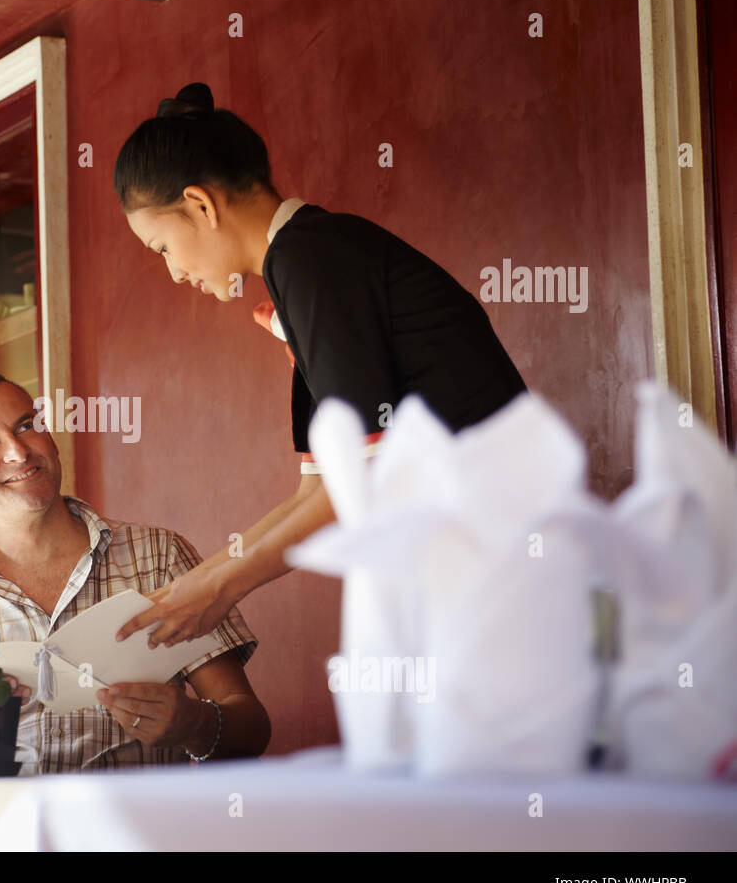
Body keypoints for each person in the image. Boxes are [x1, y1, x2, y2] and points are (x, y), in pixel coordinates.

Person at [113, 81, 528, 648]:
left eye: (162, 248)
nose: (175, 274)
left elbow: (360, 483)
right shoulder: (301, 266)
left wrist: (221, 590)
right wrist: (194, 585)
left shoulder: (313, 260)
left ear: (201, 205)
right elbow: (317, 492)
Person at [0, 371, 270, 773]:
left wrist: (195, 725)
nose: (18, 450)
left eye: (27, 425)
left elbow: (252, 728)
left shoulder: (159, 554)